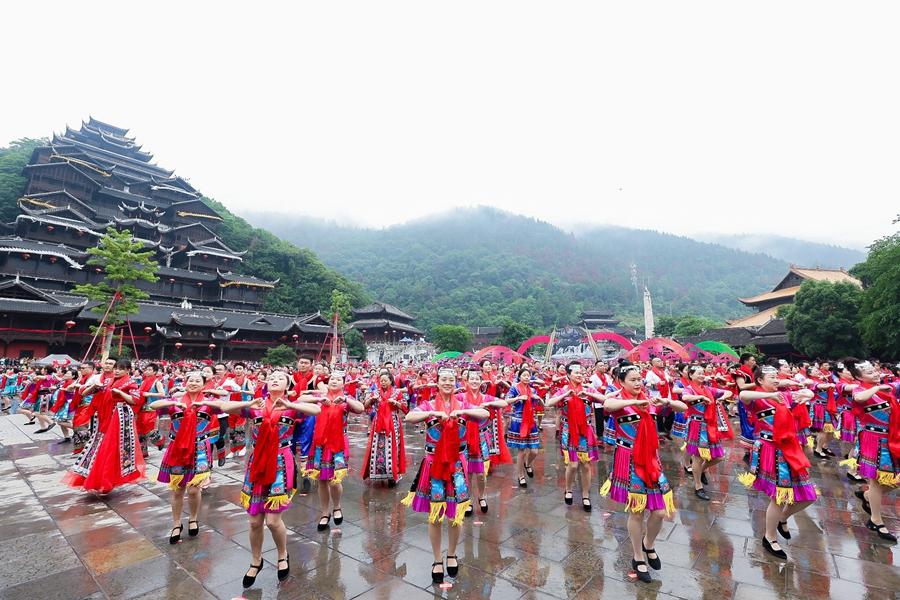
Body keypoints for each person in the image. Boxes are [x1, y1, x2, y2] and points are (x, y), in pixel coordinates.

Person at [212, 370, 321, 587]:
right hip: (257, 462)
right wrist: (249, 403)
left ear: (287, 385)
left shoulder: (292, 408)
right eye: (272, 377)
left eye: (280, 378)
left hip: (281, 461)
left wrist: (290, 405)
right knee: (254, 521)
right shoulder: (258, 407)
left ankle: (282, 555)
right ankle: (256, 560)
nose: (274, 380)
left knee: (272, 520)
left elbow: (316, 409)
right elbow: (223, 408)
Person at [599, 362, 687, 583]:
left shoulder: (649, 397)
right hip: (628, 458)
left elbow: (683, 408)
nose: (638, 383)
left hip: (651, 459)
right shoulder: (618, 398)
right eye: (633, 380)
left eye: (640, 380)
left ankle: (648, 544)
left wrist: (665, 401)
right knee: (637, 511)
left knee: (659, 512)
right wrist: (635, 401)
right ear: (621, 382)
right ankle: (637, 556)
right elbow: (607, 405)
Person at [401, 367, 489, 584]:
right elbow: (410, 416)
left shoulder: (463, 405)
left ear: (456, 382)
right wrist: (434, 414)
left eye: (451, 379)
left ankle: (451, 554)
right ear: (437, 383)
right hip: (433, 465)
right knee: (435, 514)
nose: (448, 383)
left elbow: (485, 414)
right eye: (444, 380)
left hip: (457, 465)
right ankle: (436, 558)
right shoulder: (429, 405)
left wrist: (463, 413)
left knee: (456, 514)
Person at [737, 365, 817, 560]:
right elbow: (743, 395)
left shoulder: (785, 395)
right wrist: (768, 396)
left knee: (809, 496)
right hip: (770, 450)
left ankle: (782, 518)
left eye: (776, 377)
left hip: (790, 449)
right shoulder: (757, 398)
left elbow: (809, 391)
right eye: (771, 377)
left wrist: (800, 389)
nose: (775, 379)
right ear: (760, 381)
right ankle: (769, 536)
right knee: (778, 496)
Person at [149, 372, 220, 544]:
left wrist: (209, 400)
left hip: (200, 448)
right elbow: (154, 405)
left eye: (197, 380)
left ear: (204, 385)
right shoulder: (175, 403)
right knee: (178, 488)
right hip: (177, 449)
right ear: (185, 383)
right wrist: (173, 401)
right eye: (190, 380)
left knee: (194, 489)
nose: (193, 382)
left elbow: (226, 406)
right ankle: (176, 523)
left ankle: (193, 518)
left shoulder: (208, 404)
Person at [63, 359, 145, 494]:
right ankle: (99, 477)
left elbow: (135, 401)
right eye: (116, 367)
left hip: (119, 416)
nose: (117, 370)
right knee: (100, 445)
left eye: (120, 368)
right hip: (103, 415)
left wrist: (120, 393)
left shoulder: (130, 383)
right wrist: (95, 387)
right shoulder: (105, 380)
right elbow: (84, 392)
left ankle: (106, 479)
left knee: (112, 447)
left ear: (128, 370)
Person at [299, 371, 365, 532]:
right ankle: (324, 512)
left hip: (339, 443)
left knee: (335, 480)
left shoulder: (345, 399)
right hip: (320, 442)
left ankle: (337, 506)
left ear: (343, 384)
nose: (334, 381)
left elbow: (361, 408)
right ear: (327, 383)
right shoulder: (321, 396)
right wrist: (319, 399)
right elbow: (300, 399)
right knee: (322, 480)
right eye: (332, 379)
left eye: (338, 379)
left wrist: (346, 399)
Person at [844, 359, 899, 542]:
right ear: (858, 377)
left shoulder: (886, 388)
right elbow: (859, 399)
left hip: (891, 438)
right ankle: (876, 520)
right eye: (868, 372)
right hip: (873, 440)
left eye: (874, 370)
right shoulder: (859, 390)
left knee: (894, 480)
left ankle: (868, 496)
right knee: (877, 480)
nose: (875, 373)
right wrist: (877, 388)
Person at [545, 361, 609, 511]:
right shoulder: (563, 390)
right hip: (569, 429)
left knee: (586, 464)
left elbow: (605, 400)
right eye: (576, 372)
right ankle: (568, 489)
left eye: (581, 372)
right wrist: (566, 394)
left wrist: (589, 393)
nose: (580, 375)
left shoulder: (588, 389)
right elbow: (549, 402)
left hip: (585, 430)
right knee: (572, 464)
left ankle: (585, 495)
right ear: (568, 375)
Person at [680, 365, 733, 500]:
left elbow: (728, 392)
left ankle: (701, 470)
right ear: (691, 375)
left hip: (710, 426)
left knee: (719, 457)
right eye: (698, 373)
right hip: (696, 426)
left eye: (703, 373)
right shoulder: (689, 389)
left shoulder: (709, 389)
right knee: (697, 457)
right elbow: (685, 397)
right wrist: (700, 398)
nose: (702, 375)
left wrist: (721, 398)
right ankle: (698, 486)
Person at [458, 369, 507, 515]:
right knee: (466, 471)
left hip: (482, 438)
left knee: (480, 473)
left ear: (481, 382)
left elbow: (503, 403)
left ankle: (481, 496)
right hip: (464, 437)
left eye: (476, 379)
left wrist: (489, 403)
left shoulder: (486, 398)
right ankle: (468, 500)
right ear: (466, 381)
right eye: (471, 379)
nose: (474, 381)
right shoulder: (460, 397)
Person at [361, 371, 408, 486]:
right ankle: (379, 472)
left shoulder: (397, 393)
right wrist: (372, 400)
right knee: (377, 447)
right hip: (378, 424)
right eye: (381, 381)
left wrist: (396, 403)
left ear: (391, 381)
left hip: (393, 423)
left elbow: (405, 407)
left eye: (385, 380)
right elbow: (365, 405)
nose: (382, 383)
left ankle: (393, 474)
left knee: (393, 447)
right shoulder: (375, 393)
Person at [505, 366, 543, 487]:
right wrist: (518, 398)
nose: (526, 377)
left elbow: (540, 403)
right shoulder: (514, 388)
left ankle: (528, 464)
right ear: (519, 376)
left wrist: (539, 399)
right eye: (524, 375)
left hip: (531, 421)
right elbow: (506, 401)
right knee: (521, 450)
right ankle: (520, 476)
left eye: (528, 375)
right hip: (518, 421)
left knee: (534, 450)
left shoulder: (532, 390)